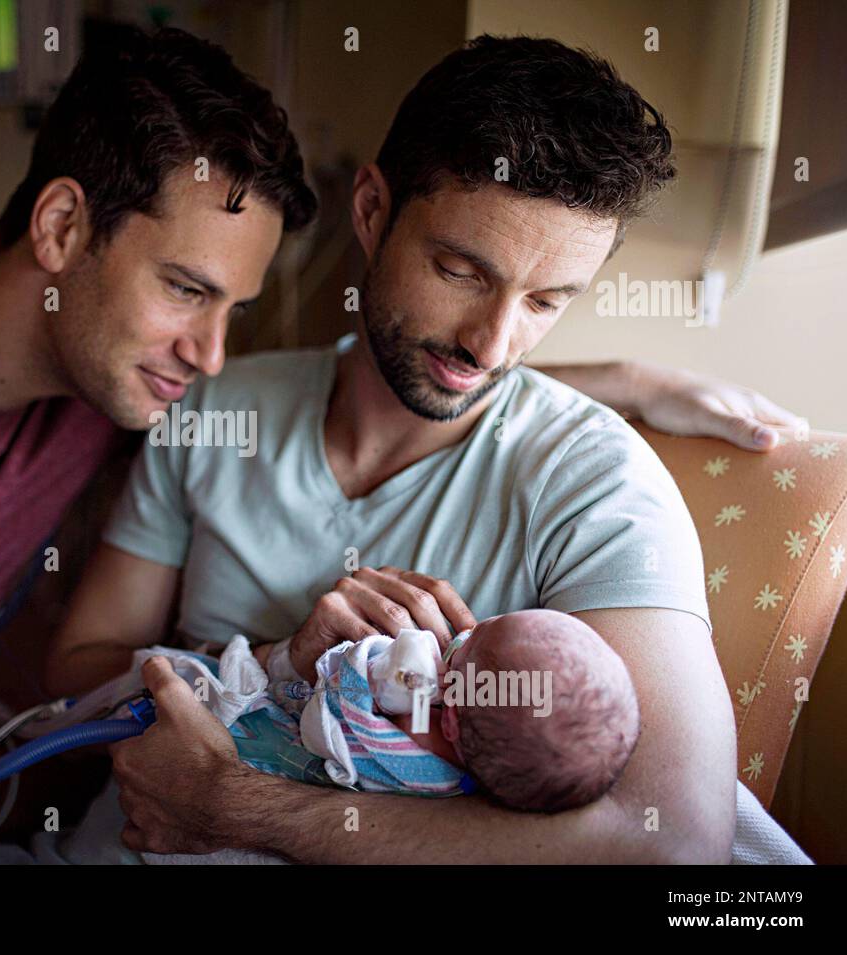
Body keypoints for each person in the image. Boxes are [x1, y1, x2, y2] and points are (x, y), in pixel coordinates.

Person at [0, 27, 799, 851]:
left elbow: (433, 378)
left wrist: (611, 379)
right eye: (187, 292)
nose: (209, 352)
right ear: (58, 229)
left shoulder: (133, 395)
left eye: (235, 310)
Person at [42, 34, 789, 864]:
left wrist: (238, 809)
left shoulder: (599, 488)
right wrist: (270, 659)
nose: (492, 343)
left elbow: (675, 845)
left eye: (546, 300)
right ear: (371, 209)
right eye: (462, 270)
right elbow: (74, 673)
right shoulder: (215, 412)